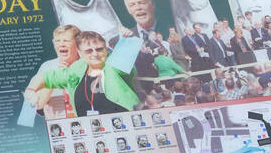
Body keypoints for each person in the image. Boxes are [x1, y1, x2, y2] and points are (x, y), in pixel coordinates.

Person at [25, 31, 184, 117]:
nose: (94, 53)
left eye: (99, 48)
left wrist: (127, 38)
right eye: (88, 50)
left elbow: (126, 56)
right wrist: (31, 91)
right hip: (83, 126)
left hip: (122, 120)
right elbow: (44, 81)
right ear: (80, 52)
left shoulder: (114, 64)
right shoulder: (73, 68)